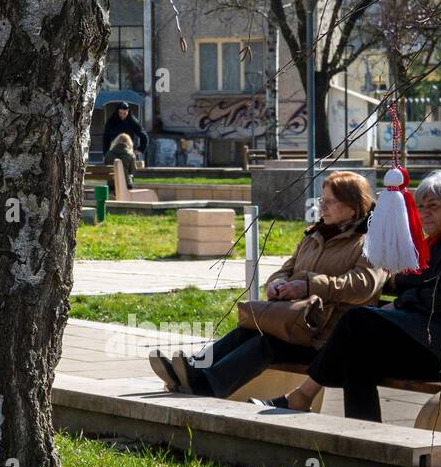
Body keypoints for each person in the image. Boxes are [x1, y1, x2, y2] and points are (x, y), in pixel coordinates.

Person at [256, 170, 441, 421]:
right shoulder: (438, 242)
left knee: (356, 320)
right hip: (429, 340)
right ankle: (365, 433)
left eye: (434, 206)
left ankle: (301, 396)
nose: (425, 212)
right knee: (357, 357)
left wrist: (397, 304)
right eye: (421, 206)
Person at [149, 171, 386, 399]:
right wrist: (278, 283)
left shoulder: (371, 242)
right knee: (247, 330)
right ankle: (189, 371)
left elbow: (363, 285)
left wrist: (309, 286)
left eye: (330, 201)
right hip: (295, 324)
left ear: (353, 206)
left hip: (327, 338)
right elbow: (285, 269)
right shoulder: (313, 236)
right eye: (321, 200)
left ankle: (205, 385)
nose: (322, 206)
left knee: (267, 342)